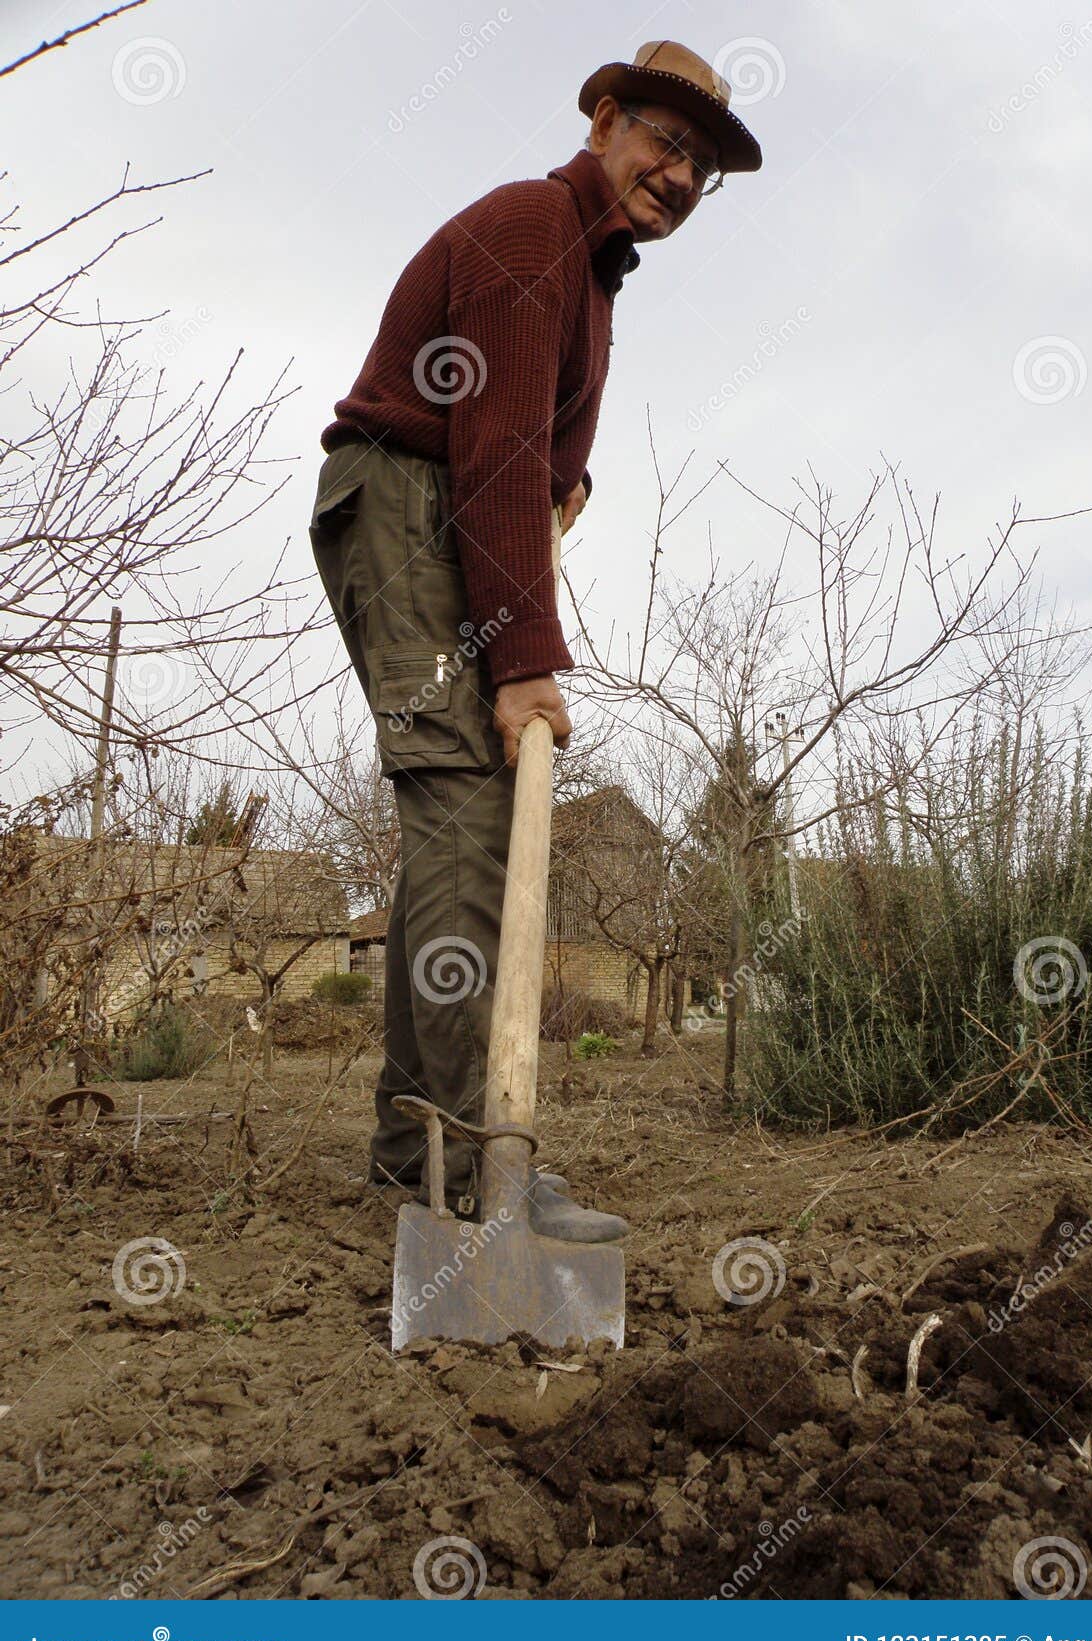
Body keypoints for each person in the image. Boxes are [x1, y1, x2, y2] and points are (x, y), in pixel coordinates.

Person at [308, 42, 763, 1240]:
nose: (679, 176)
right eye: (666, 142)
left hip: (439, 504)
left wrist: (571, 476)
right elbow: (495, 451)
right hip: (412, 505)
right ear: (606, 119)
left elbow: (527, 449)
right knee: (468, 801)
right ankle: (469, 1158)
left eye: (702, 168)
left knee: (463, 820)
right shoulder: (534, 232)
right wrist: (523, 661)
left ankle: (418, 1148)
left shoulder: (592, 276)